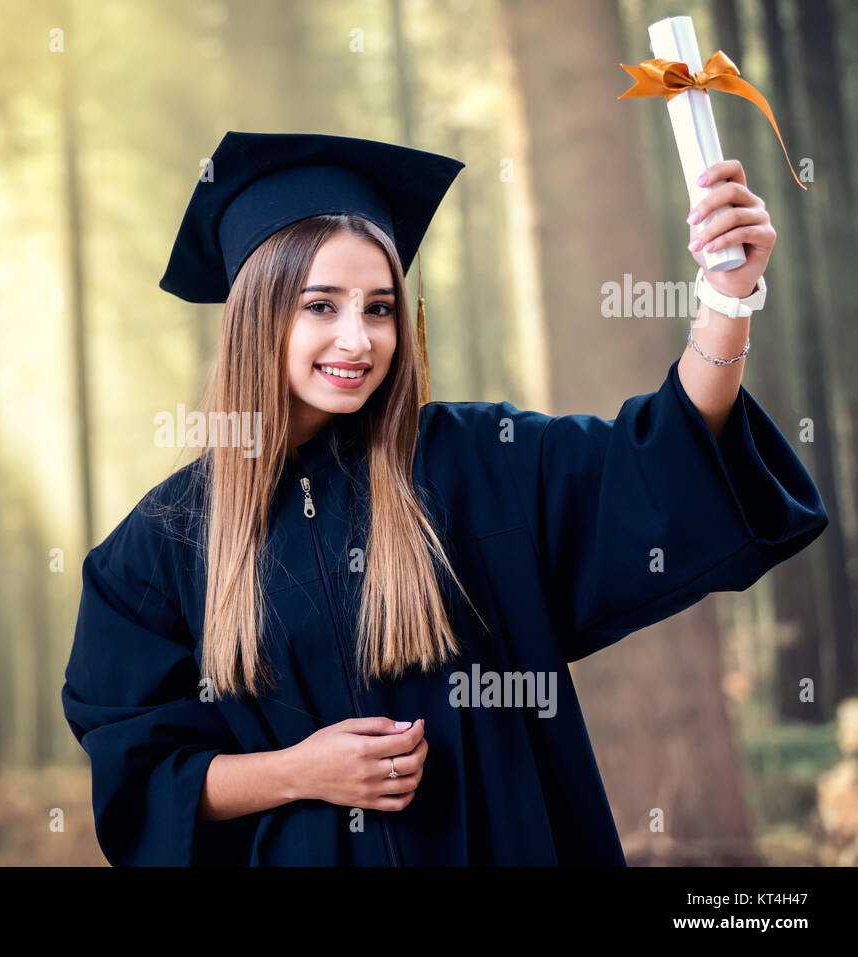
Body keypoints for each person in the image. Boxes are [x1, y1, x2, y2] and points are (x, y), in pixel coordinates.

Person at [60, 131, 828, 866]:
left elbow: (656, 464)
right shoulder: (159, 551)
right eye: (321, 306)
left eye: (379, 307)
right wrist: (299, 771)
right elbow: (142, 778)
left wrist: (727, 299)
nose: (359, 339)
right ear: (257, 315)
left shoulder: (477, 462)